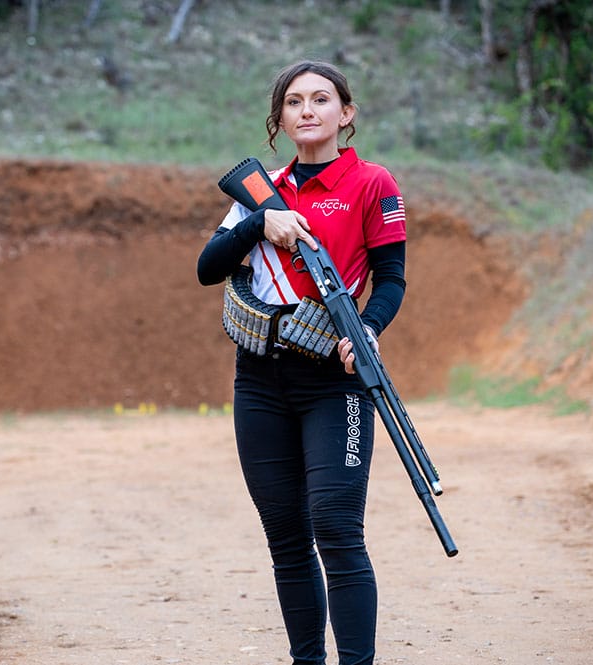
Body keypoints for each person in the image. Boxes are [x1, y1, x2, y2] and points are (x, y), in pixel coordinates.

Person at [196, 60, 408, 665]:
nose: (307, 110)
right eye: (294, 102)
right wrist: (262, 222)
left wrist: (366, 329)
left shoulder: (373, 183)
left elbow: (390, 279)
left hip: (333, 381)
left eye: (321, 99)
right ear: (280, 118)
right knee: (287, 541)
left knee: (338, 532)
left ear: (346, 114)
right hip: (258, 381)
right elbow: (208, 268)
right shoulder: (261, 191)